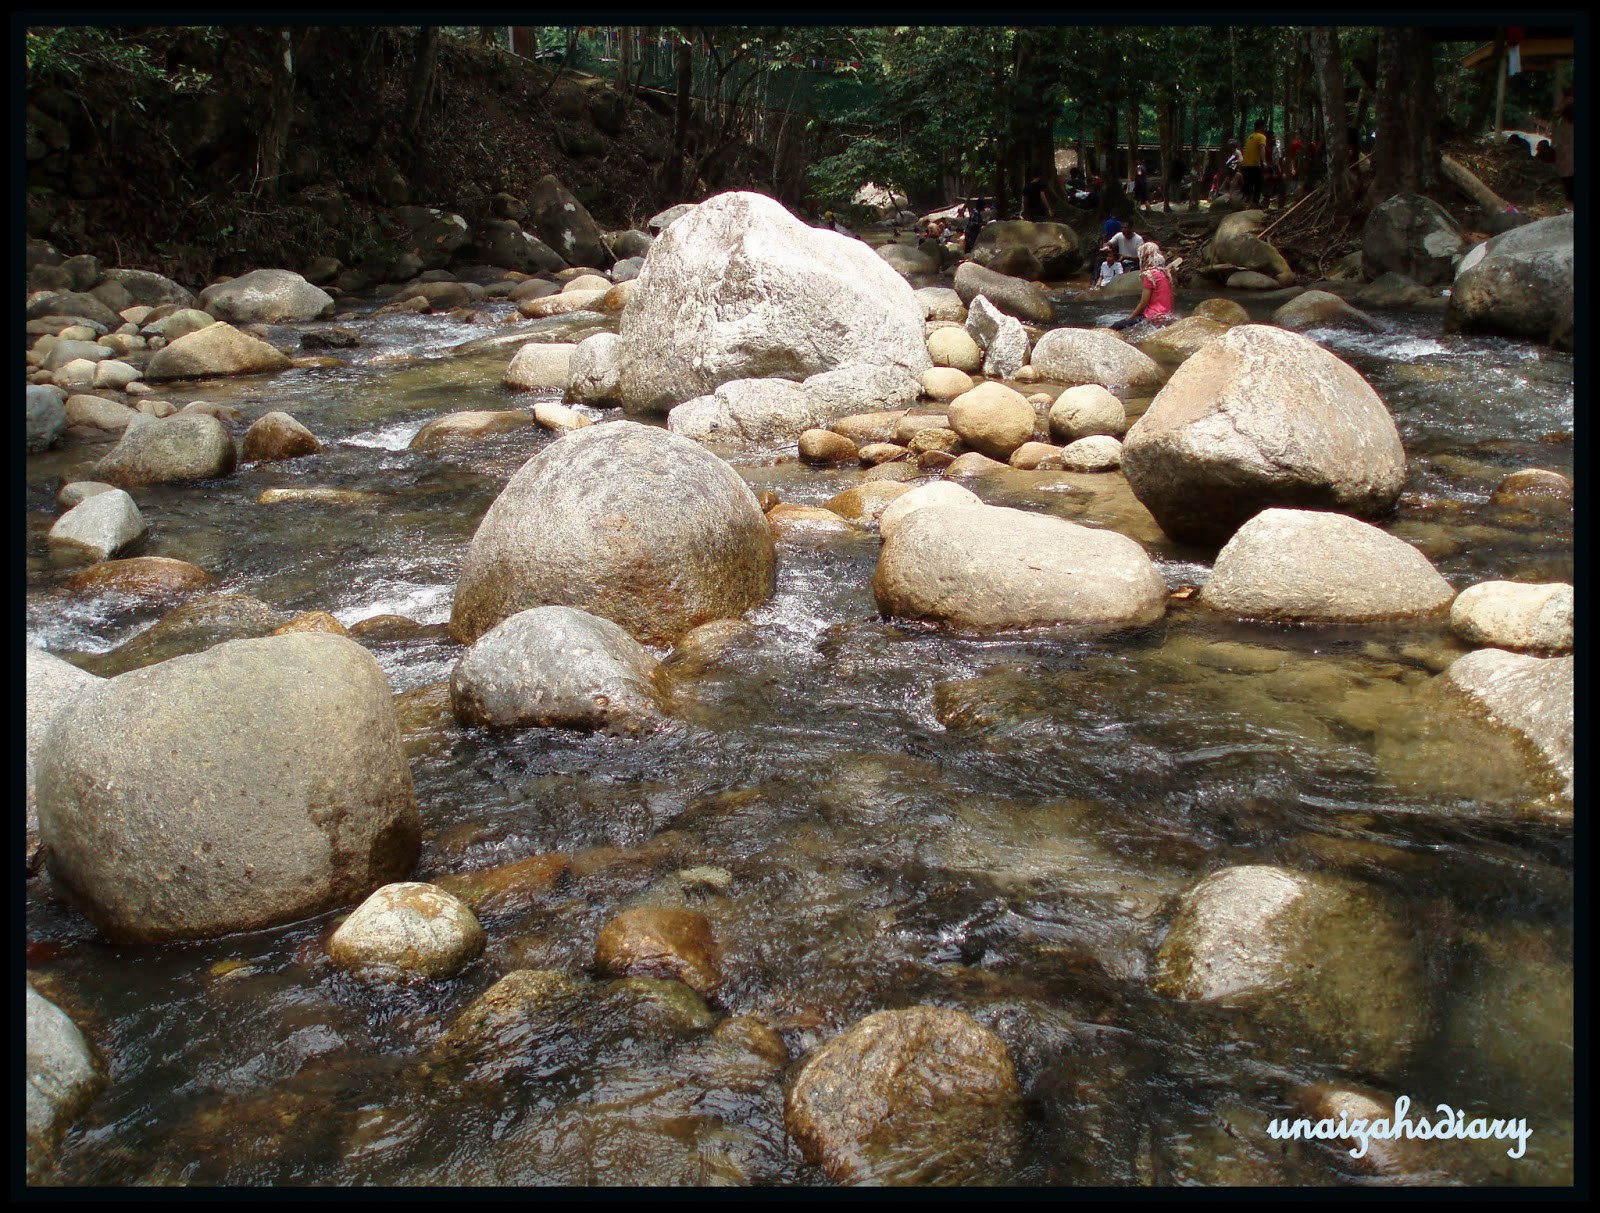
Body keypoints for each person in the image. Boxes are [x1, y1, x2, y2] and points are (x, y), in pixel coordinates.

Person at [1110, 241, 1177, 332]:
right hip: (1166, 314)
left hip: (1153, 316)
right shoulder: (1164, 272)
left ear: (1144, 257)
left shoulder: (1149, 274)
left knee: (1116, 326)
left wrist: (1130, 318)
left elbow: (1143, 303)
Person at [1554, 85, 1574, 207]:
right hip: (1566, 146)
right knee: (1567, 175)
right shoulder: (1564, 105)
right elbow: (1556, 114)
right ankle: (1569, 204)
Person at [1240, 120, 1267, 207]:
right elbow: (1262, 148)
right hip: (1254, 164)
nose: (1264, 129)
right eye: (1264, 127)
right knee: (1259, 183)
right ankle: (1255, 203)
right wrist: (1264, 161)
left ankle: (1245, 202)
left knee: (1249, 184)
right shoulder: (1261, 136)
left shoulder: (1250, 136)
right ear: (1260, 127)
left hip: (1245, 165)